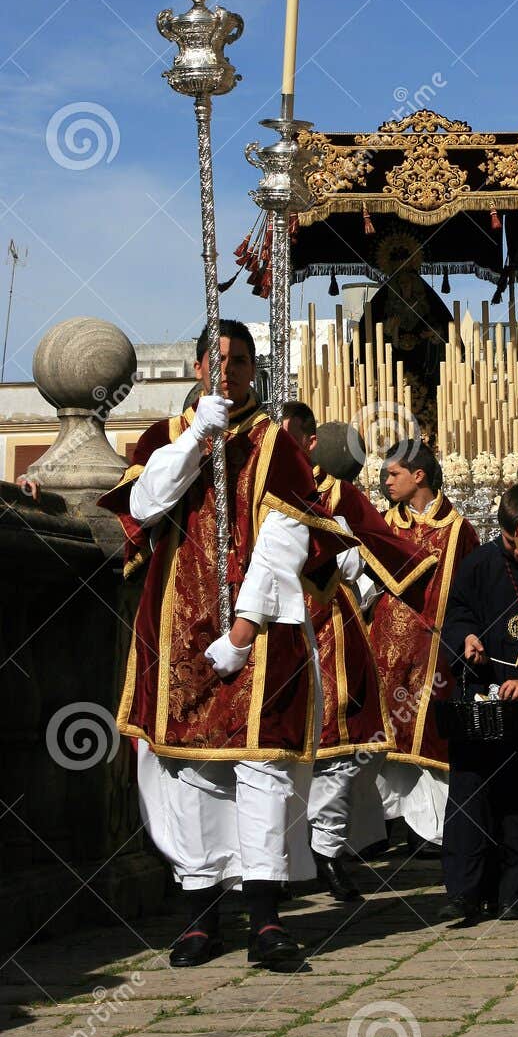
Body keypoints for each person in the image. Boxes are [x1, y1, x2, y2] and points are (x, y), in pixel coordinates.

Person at [99, 322, 349, 971]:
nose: (230, 370)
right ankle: (200, 919)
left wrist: (246, 625)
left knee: (262, 768)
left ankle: (265, 920)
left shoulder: (276, 444)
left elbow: (289, 537)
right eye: (220, 359)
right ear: (198, 364)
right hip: (174, 627)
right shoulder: (165, 437)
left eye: (242, 361)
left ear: (253, 369)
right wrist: (197, 441)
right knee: (188, 771)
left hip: (258, 632)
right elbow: (149, 503)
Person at [279, 406, 436, 900]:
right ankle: (284, 856)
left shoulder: (338, 495)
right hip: (285, 623)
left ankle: (324, 850)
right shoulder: (287, 488)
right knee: (287, 749)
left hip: (328, 626)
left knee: (339, 745)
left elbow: (368, 557)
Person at [438, 483, 518, 923]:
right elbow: (457, 613)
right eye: (509, 541)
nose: (516, 549)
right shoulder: (480, 565)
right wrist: (464, 638)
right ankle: (467, 891)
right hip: (483, 695)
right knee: (471, 794)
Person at [370, 441, 480, 849]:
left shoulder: (458, 530)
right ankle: (381, 826)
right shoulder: (382, 524)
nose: (386, 481)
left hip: (433, 654)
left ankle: (432, 832)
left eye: (393, 474)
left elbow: (470, 595)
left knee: (427, 737)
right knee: (380, 739)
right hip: (382, 649)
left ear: (419, 476)